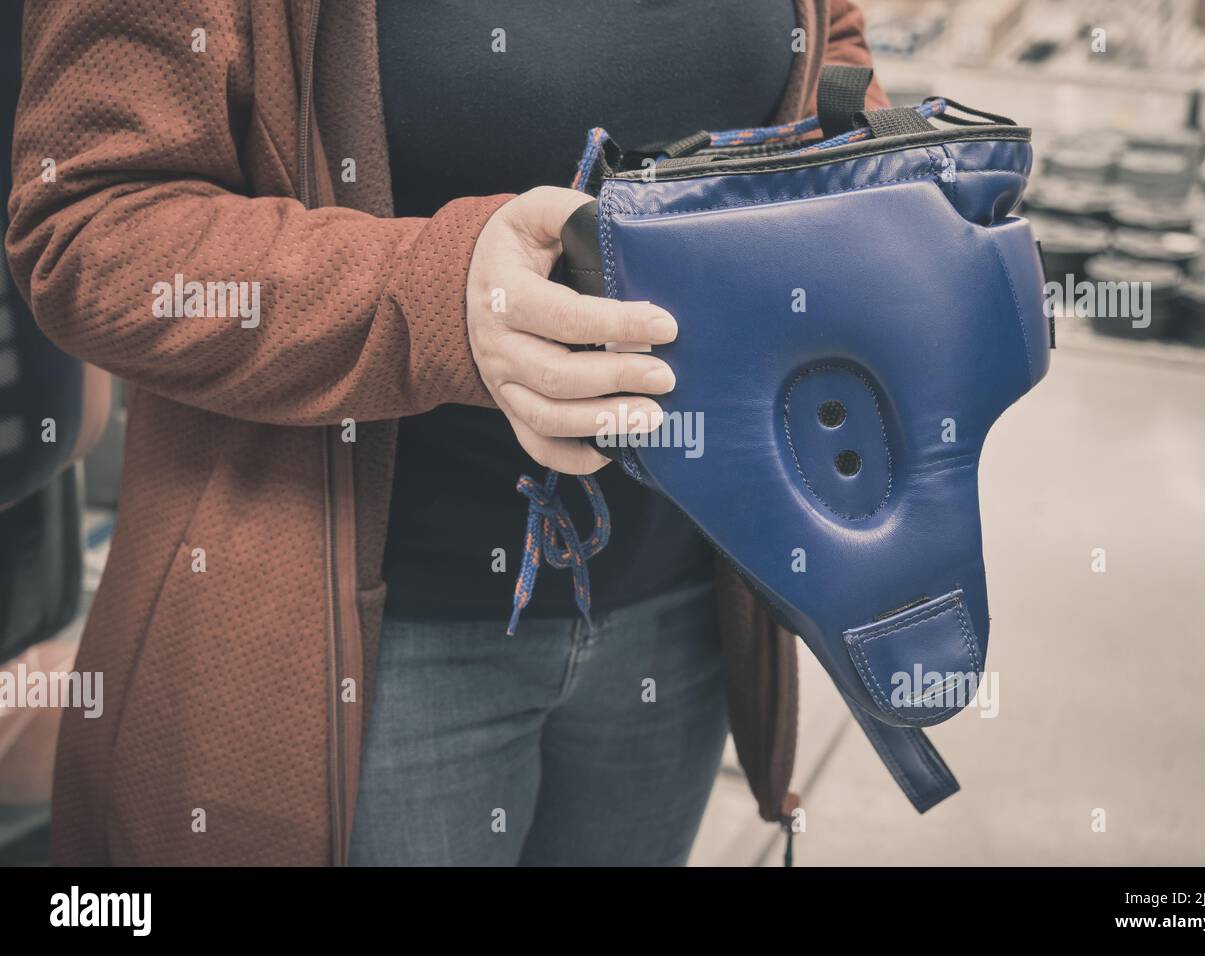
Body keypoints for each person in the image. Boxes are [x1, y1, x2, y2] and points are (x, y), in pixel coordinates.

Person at [5, 0, 888, 866]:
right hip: (370, 649)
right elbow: (88, 222)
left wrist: (880, 182)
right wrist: (434, 296)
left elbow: (823, 44)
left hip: (685, 600)